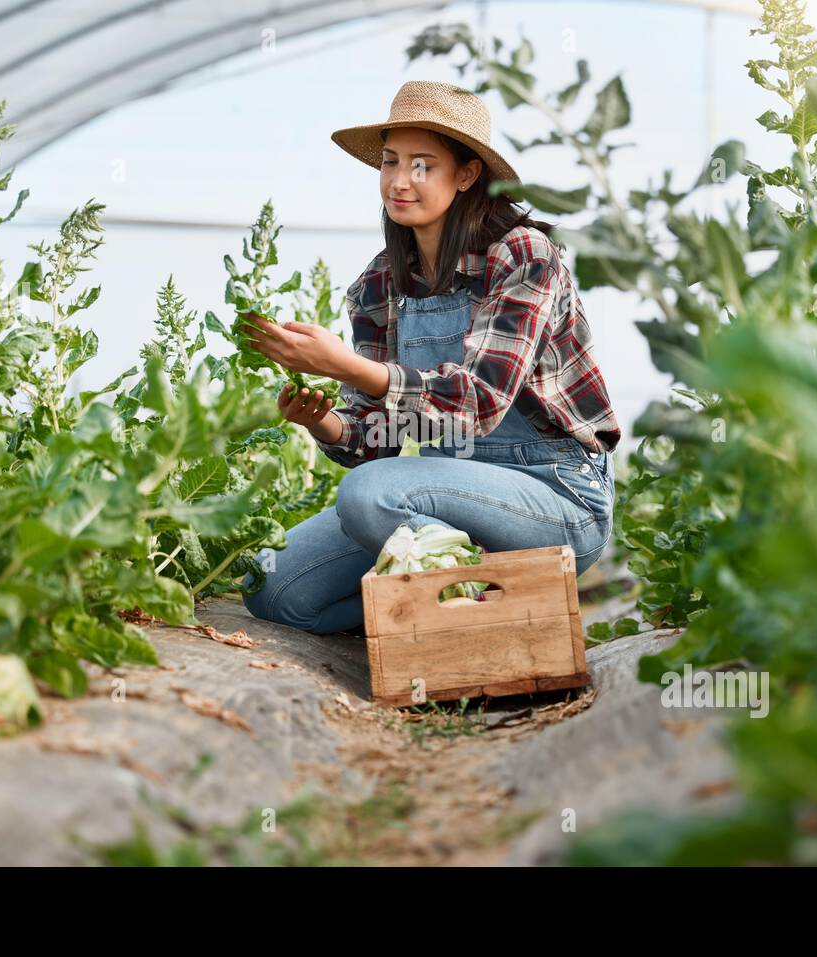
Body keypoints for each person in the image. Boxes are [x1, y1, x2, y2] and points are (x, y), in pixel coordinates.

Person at [238, 80, 622, 635]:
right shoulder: (378, 284)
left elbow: (481, 402)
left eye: (423, 165)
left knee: (370, 498)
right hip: (446, 495)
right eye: (391, 162)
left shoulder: (522, 256)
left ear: (466, 175)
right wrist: (322, 421)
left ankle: (472, 610)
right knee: (268, 583)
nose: (399, 181)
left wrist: (346, 365)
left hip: (555, 494)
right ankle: (464, 608)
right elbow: (378, 442)